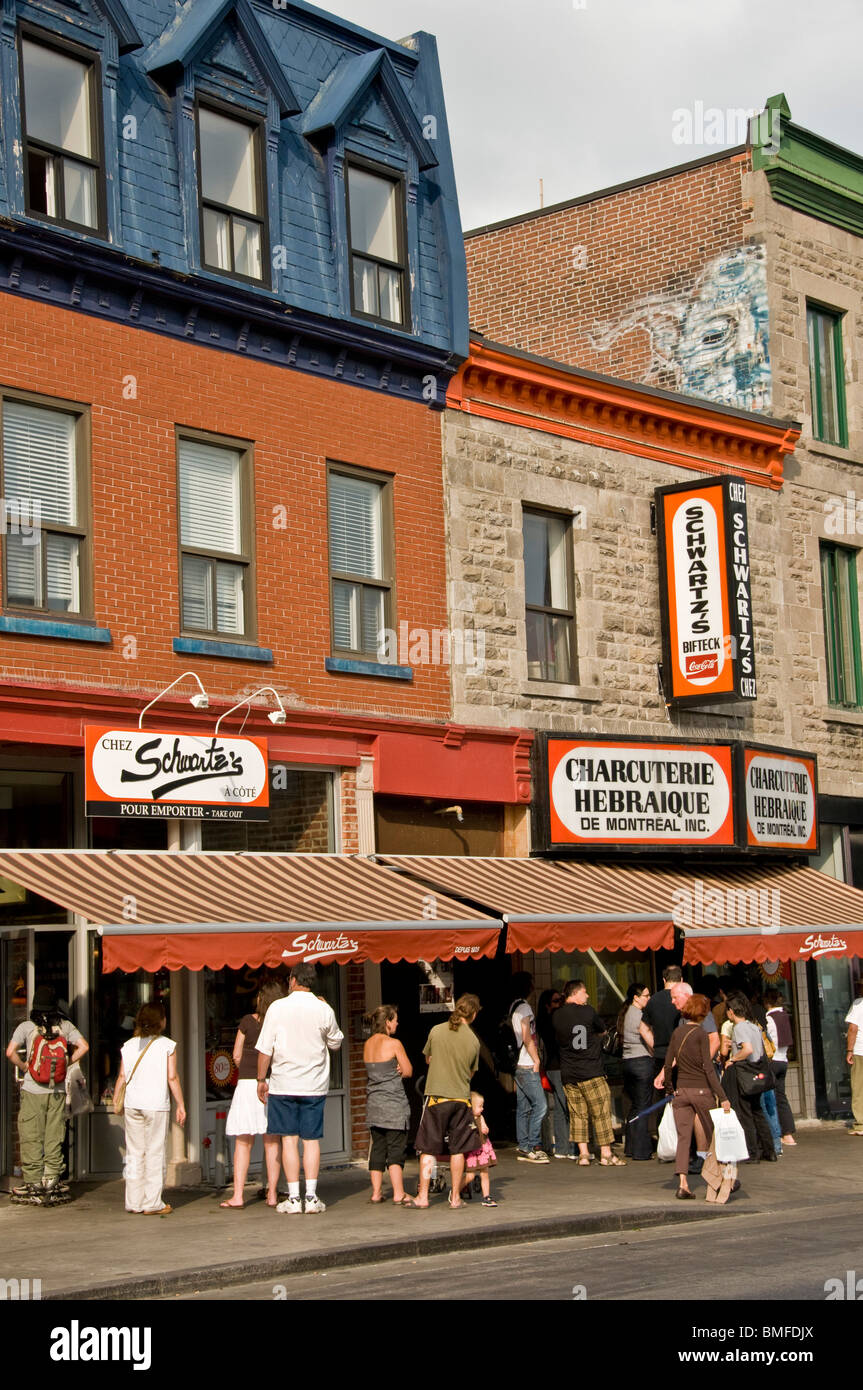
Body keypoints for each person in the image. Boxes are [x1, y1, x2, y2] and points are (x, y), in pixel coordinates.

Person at [256, 962, 344, 1215]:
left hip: (284, 1083)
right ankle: (312, 1196)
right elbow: (336, 1042)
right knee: (311, 1141)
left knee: (289, 1140)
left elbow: (265, 1049)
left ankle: (294, 1198)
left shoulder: (277, 1008)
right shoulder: (322, 1008)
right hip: (314, 1085)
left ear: (293, 980)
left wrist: (262, 1080)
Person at [5, 987, 89, 1205]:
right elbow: (84, 1047)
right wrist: (67, 1063)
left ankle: (33, 1183)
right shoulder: (65, 1027)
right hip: (58, 1090)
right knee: (54, 1133)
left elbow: (9, 1052)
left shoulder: (26, 1027)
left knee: (31, 1133)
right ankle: (51, 1181)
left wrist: (25, 1067)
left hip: (33, 1089)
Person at [412, 994, 482, 1208]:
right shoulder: (473, 1040)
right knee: (458, 1149)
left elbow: (428, 1059)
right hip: (461, 1099)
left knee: (428, 1148)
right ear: (474, 1014)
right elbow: (470, 1074)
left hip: (436, 1097)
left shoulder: (436, 1030)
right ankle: (456, 1198)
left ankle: (423, 1197)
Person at [221, 980, 285, 1209]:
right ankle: (272, 1195)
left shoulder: (247, 1021)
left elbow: (236, 1054)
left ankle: (238, 1196)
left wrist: (246, 1065)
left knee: (243, 1141)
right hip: (272, 1084)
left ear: (261, 999)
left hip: (248, 1083)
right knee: (272, 1142)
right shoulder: (279, 1024)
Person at [117, 1001, 185, 1215]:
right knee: (155, 1151)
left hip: (132, 1103)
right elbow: (172, 1077)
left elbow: (121, 1076)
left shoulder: (128, 1046)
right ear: (161, 1021)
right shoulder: (167, 1045)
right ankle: (152, 1202)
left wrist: (117, 1101)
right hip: (155, 1104)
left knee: (135, 1151)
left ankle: (133, 1201)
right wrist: (181, 1104)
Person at [664, 994, 731, 1199]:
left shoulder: (677, 1032)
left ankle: (683, 1184)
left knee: (684, 1139)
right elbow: (708, 1068)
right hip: (702, 1091)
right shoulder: (701, 1034)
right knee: (713, 1137)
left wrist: (670, 1090)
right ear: (702, 1013)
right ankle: (721, 1178)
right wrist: (723, 1096)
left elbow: (668, 1064)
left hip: (681, 1092)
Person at [553, 980, 624, 1166]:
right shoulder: (588, 1011)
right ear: (575, 993)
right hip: (591, 1070)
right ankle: (606, 1153)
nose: (588, 995)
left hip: (569, 1073)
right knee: (600, 1112)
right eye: (584, 992)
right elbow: (602, 1031)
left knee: (577, 1114)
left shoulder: (557, 1016)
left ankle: (583, 1154)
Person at [363, 1004, 413, 1205]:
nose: (397, 1022)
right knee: (395, 1150)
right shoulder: (394, 1044)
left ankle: (376, 1193)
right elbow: (408, 1070)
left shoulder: (367, 1044)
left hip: (374, 1104)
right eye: (395, 1019)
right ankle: (399, 1193)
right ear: (387, 1022)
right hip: (393, 1105)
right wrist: (400, 1068)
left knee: (377, 1149)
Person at [722, 993, 775, 1163]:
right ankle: (769, 1150)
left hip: (744, 1074)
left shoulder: (739, 1028)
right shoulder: (754, 1026)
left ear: (731, 1011)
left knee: (745, 1114)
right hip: (757, 1073)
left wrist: (732, 1059)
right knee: (757, 1111)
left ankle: (752, 1153)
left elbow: (747, 1049)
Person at [509, 972, 548, 1163]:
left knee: (523, 1107)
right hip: (526, 1062)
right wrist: (537, 1059)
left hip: (517, 1064)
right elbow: (527, 1036)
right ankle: (533, 1145)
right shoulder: (524, 1008)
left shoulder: (513, 1006)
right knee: (541, 1105)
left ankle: (524, 1144)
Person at [620, 983, 654, 1161]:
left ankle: (631, 1147)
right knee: (643, 1106)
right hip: (641, 1062)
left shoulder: (627, 1013)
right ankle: (641, 1150)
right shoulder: (638, 1014)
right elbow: (649, 1038)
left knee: (634, 1105)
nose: (649, 998)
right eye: (646, 995)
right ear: (636, 997)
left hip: (628, 1062)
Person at [537, 988, 573, 1158]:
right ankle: (565, 1147)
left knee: (559, 1107)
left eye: (562, 1000)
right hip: (557, 1066)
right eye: (556, 1001)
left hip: (552, 1067)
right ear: (547, 1005)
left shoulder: (544, 1021)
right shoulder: (552, 1021)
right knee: (564, 1106)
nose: (560, 1004)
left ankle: (561, 1147)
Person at [764, 989, 797, 1145]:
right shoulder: (785, 1015)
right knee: (781, 1097)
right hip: (783, 1060)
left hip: (772, 1061)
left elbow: (769, 1040)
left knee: (769, 1100)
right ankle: (788, 1134)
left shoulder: (769, 1018)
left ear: (767, 1002)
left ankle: (775, 1134)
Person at [642, 965, 683, 1088]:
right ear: (681, 980)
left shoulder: (653, 1000)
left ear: (664, 980)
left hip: (661, 1054)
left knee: (663, 1096)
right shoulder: (686, 999)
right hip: (683, 1055)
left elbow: (643, 1028)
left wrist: (655, 1044)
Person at [458, 1091, 498, 1207]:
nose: (482, 1109)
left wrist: (485, 1128)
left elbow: (485, 1127)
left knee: (484, 1173)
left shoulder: (480, 1117)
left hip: (482, 1149)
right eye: (480, 1106)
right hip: (472, 1151)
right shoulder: (467, 1119)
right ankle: (455, 1192)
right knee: (470, 1176)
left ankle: (486, 1196)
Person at [845, 981, 863, 1136]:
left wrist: (849, 1050)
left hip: (860, 1051)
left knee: (859, 1088)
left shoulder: (858, 1004)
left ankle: (861, 1124)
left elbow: (853, 1028)